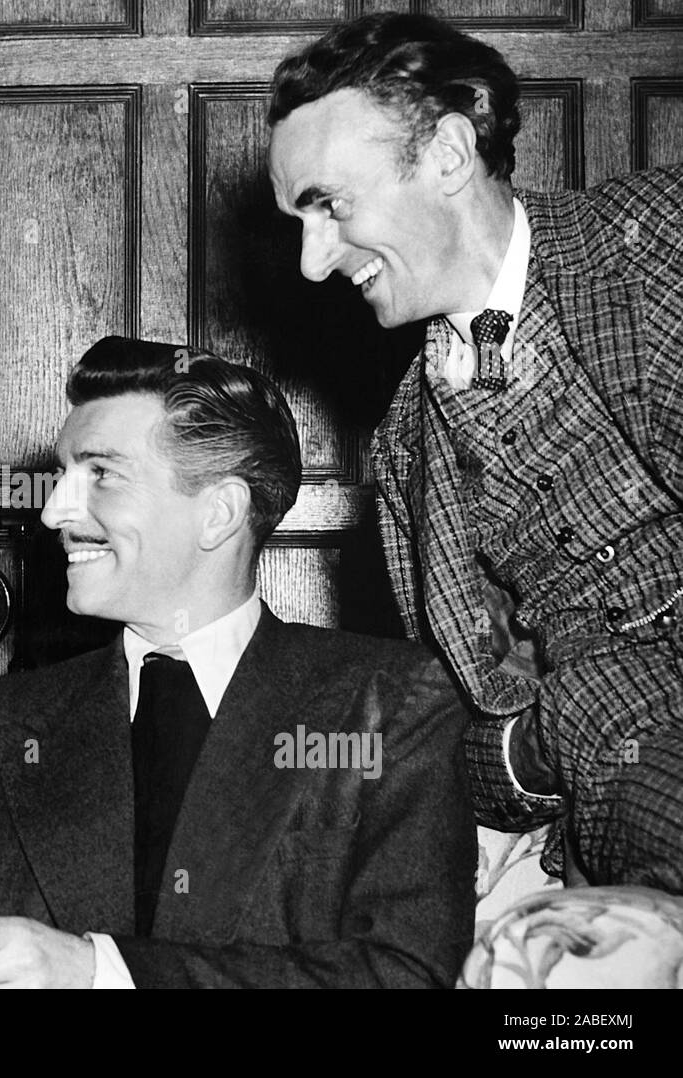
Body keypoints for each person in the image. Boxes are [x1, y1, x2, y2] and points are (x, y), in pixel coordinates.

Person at [0, 337, 475, 988]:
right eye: (61, 477)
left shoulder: (391, 707)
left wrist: (102, 973)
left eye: (101, 475)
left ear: (219, 513)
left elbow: (403, 973)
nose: (55, 510)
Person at [267, 12, 683, 892]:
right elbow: (469, 744)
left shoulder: (657, 245)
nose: (312, 263)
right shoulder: (405, 446)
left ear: (450, 154)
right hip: (618, 817)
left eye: (330, 206)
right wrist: (549, 740)